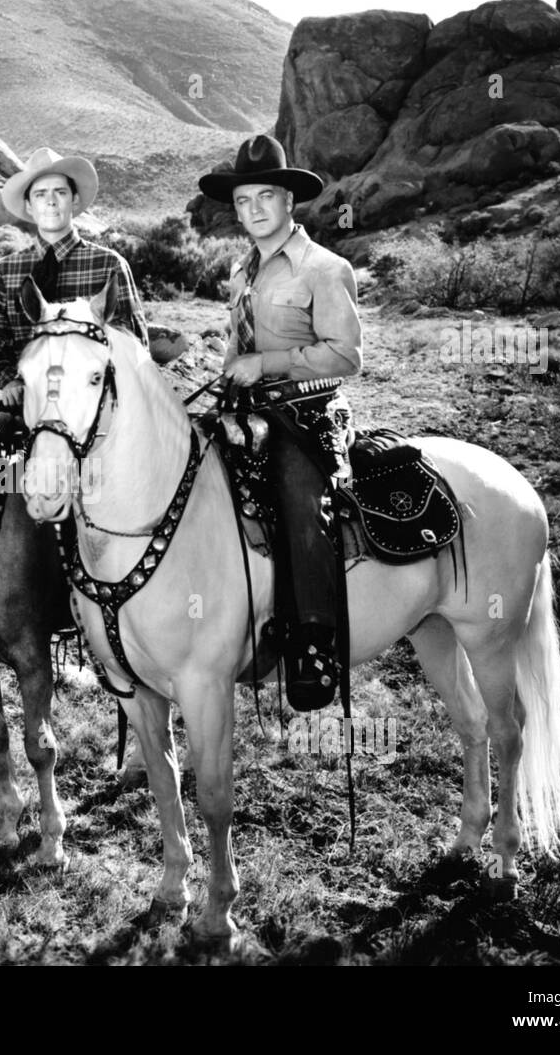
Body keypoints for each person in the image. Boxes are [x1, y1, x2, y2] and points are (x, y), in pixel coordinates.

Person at [198, 134, 362, 710]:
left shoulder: (324, 268)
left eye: (266, 196)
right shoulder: (245, 273)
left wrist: (264, 365)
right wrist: (225, 383)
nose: (254, 210)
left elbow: (346, 357)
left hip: (306, 416)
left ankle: (314, 645)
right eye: (243, 201)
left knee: (297, 496)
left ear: (290, 200)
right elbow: (233, 352)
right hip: (246, 412)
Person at [0, 147, 148, 406]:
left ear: (75, 200)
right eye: (40, 194)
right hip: (28, 401)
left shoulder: (108, 265)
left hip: (94, 405)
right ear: (29, 206)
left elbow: (132, 341)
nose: (51, 201)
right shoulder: (7, 270)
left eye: (61, 192)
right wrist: (9, 380)